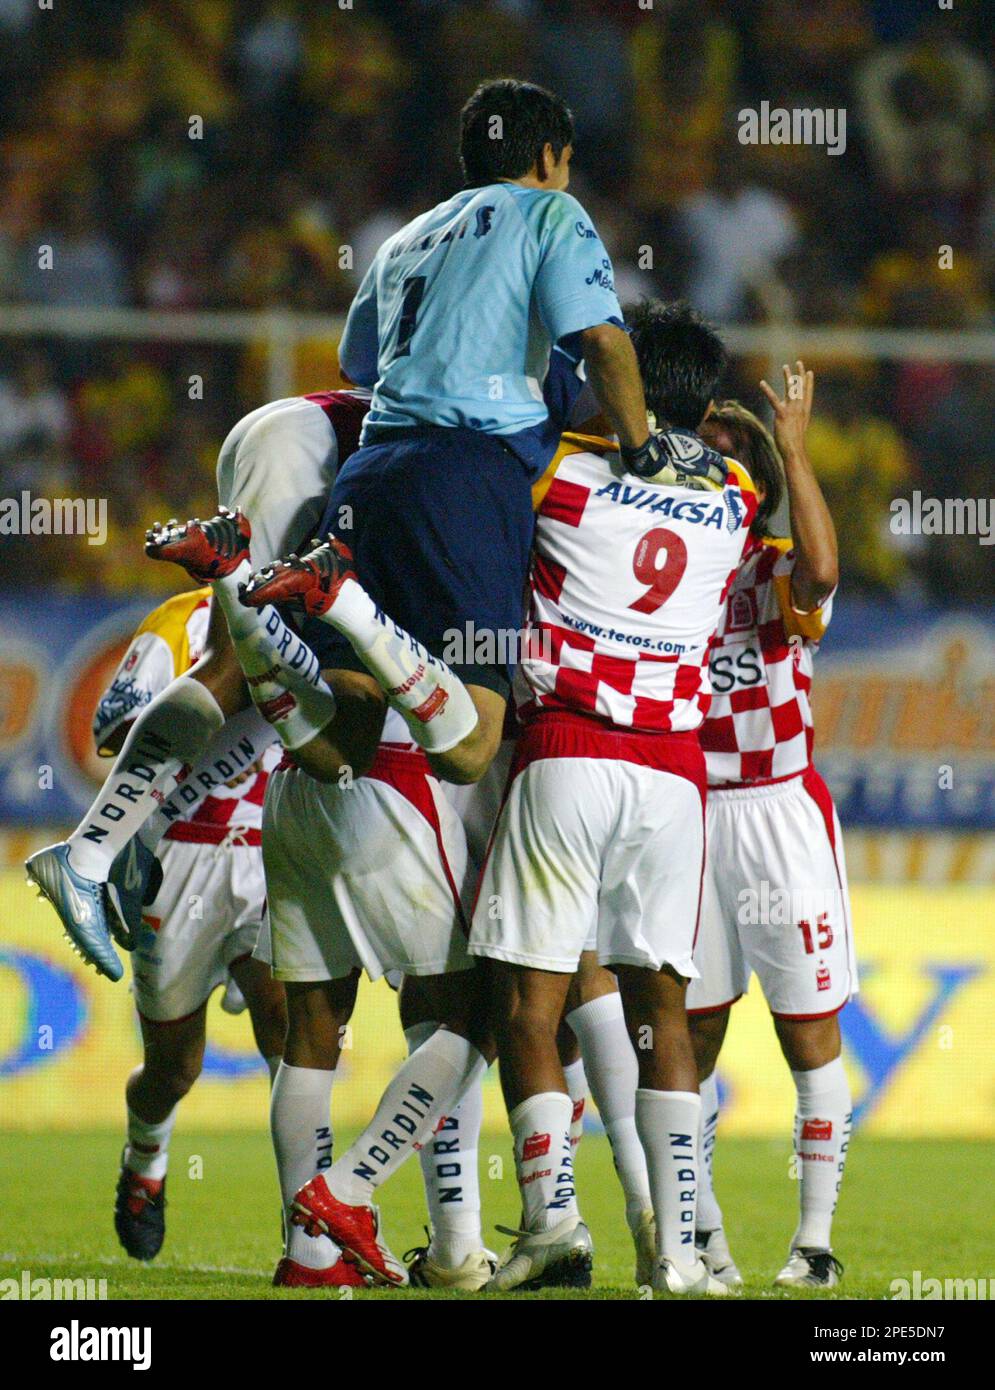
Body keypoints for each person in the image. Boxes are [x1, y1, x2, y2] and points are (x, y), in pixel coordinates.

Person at [466, 300, 756, 1295]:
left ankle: (553, 1221)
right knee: (659, 1013)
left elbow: (506, 448)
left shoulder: (559, 472)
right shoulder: (734, 495)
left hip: (568, 748)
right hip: (674, 776)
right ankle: (675, 1251)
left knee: (527, 1003)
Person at [25, 388, 370, 979]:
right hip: (320, 446)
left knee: (277, 674)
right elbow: (107, 729)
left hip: (311, 433)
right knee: (237, 661)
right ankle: (88, 855)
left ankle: (130, 838)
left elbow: (361, 356)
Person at [686, 364, 856, 1291]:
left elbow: (825, 574)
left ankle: (814, 1243)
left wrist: (792, 445)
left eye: (733, 452)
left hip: (776, 811)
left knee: (807, 1033)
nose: (717, 466)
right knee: (688, 1035)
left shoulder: (774, 566)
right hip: (687, 810)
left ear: (755, 480)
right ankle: (703, 1239)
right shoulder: (661, 568)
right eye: (702, 451)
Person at [91, 587, 287, 1262]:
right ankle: (145, 1164)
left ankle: (311, 1229)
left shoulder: (313, 606)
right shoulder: (182, 617)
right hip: (179, 857)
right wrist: (215, 695)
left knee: (290, 1037)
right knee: (174, 1069)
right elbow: (111, 729)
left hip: (276, 851)